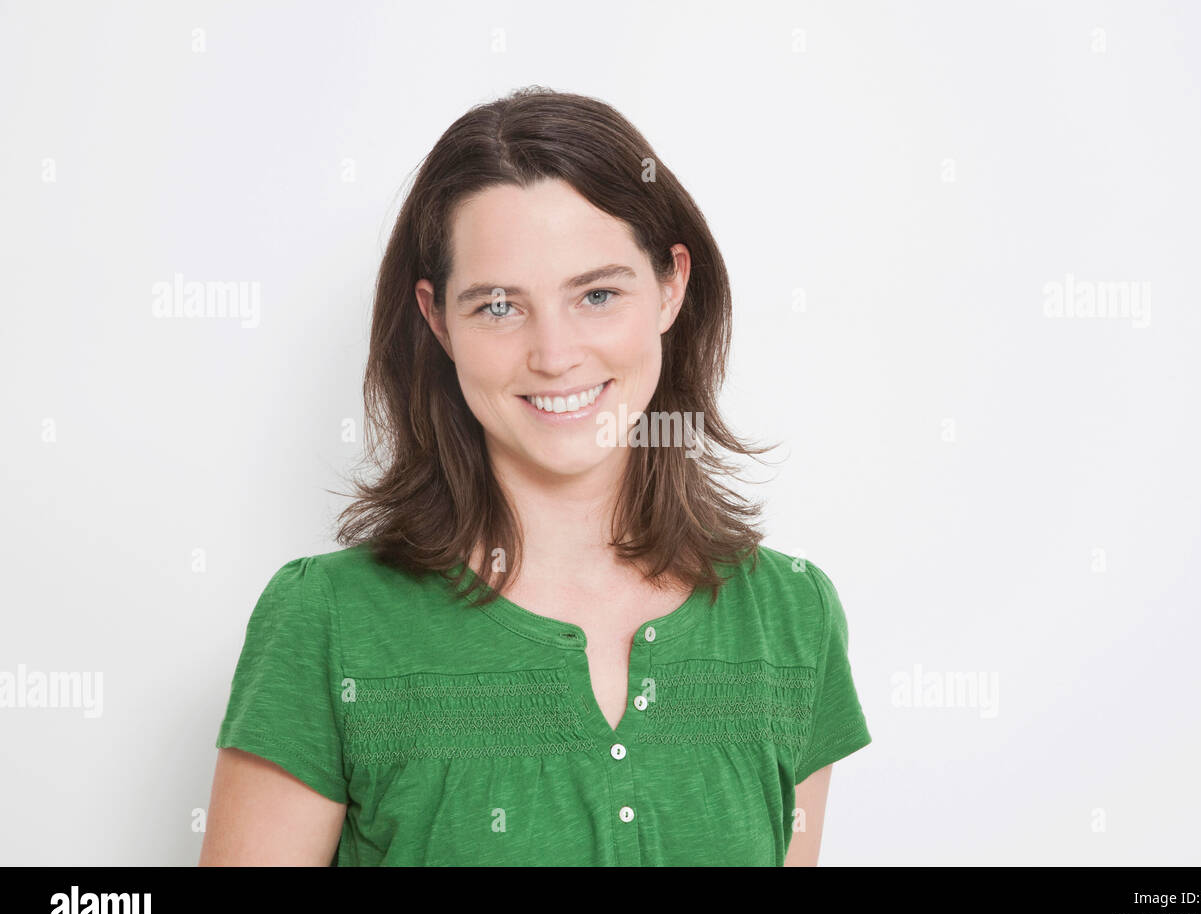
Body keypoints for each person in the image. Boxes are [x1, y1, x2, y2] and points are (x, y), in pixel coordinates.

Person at [199, 86, 871, 866]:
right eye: (497, 306)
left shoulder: (792, 618)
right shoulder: (325, 622)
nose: (554, 354)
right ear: (436, 318)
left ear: (671, 286)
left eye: (596, 293)